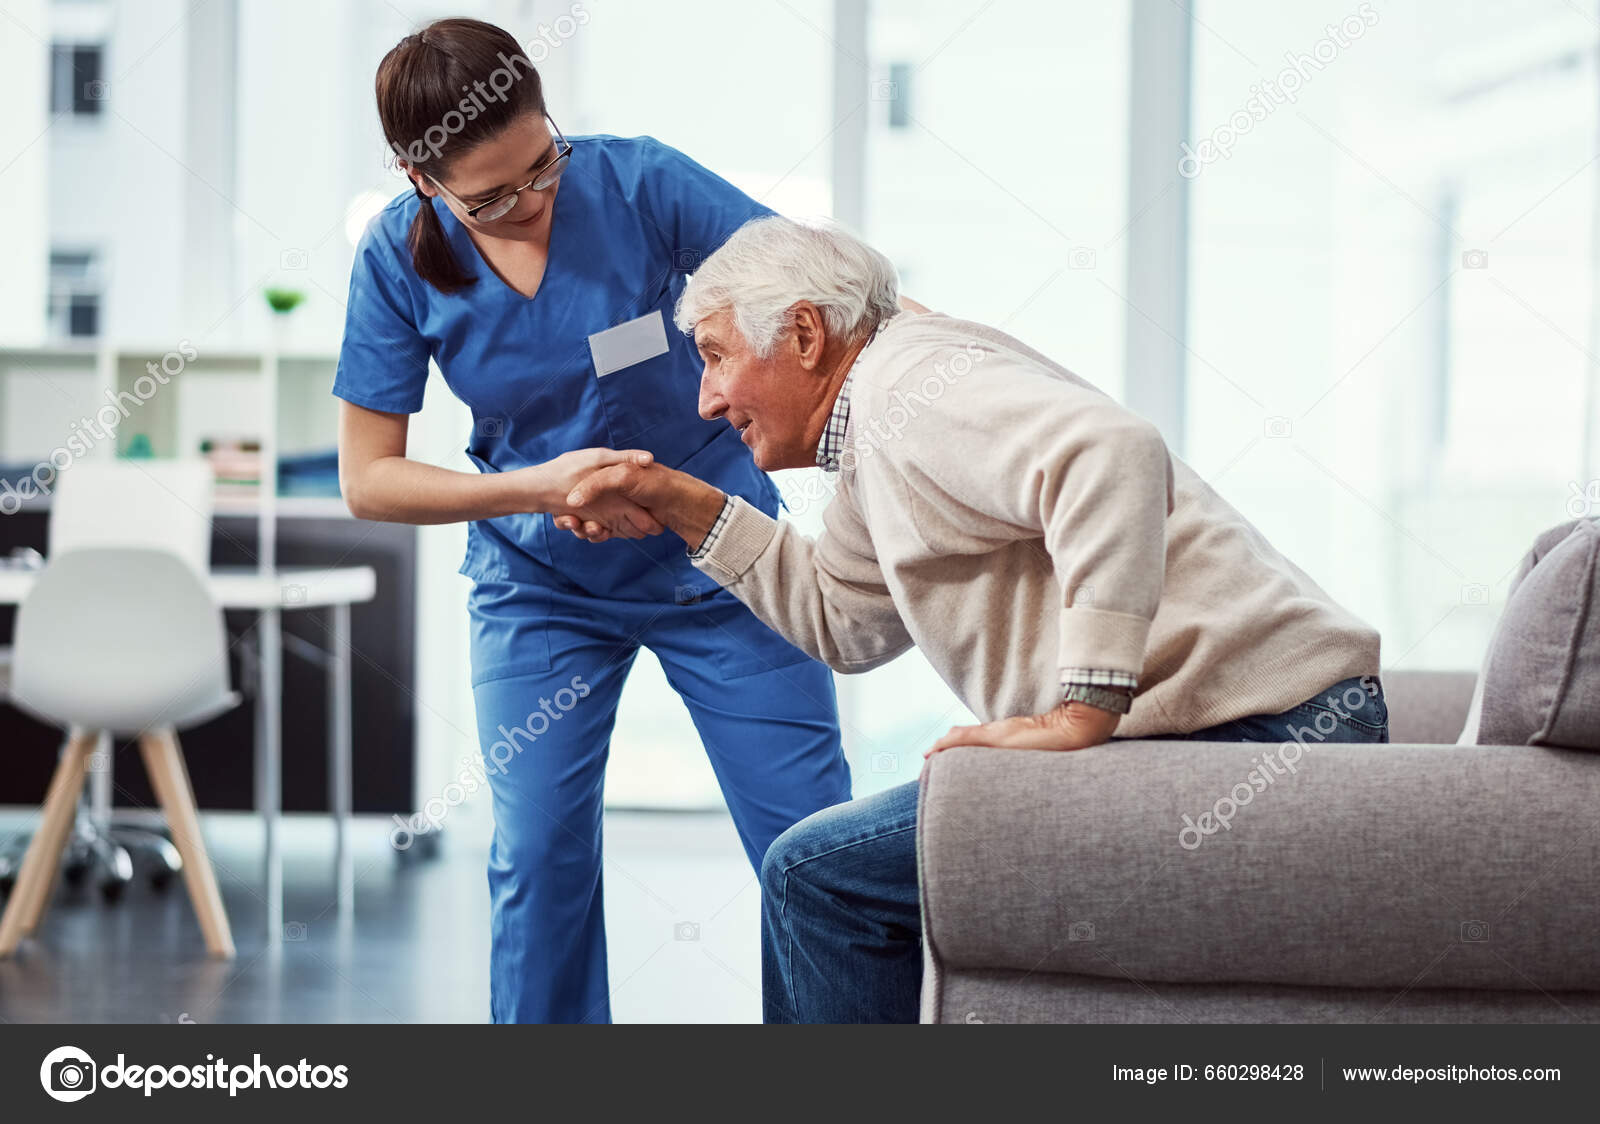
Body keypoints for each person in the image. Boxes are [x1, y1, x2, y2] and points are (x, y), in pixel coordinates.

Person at [565, 215, 1389, 1023]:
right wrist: (682, 503)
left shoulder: (911, 388)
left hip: (1267, 738)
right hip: (1235, 734)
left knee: (818, 877)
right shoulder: (870, 438)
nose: (706, 400)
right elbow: (842, 623)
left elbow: (1110, 451)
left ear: (806, 336)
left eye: (715, 357)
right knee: (820, 869)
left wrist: (1084, 710)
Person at [333, 19, 854, 1023]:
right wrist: (540, 487)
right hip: (541, 587)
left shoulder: (640, 185)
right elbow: (371, 481)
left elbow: (826, 291)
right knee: (536, 856)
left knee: (813, 844)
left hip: (722, 563)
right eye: (491, 197)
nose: (531, 204)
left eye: (542, 165)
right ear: (419, 176)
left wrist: (951, 371)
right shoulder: (397, 261)